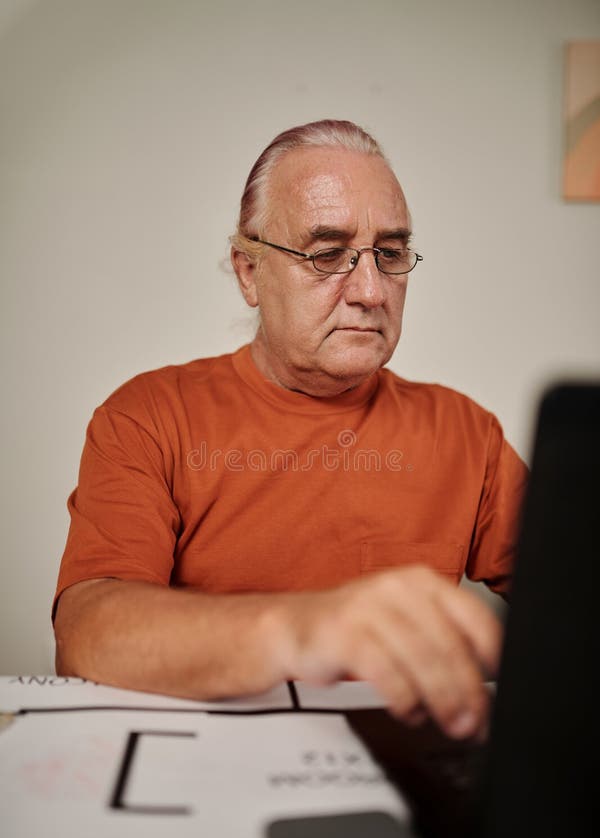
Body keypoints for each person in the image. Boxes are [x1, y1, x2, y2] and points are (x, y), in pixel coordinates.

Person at [53, 119, 527, 740]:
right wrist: (308, 630)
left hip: (402, 765)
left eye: (390, 253)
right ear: (249, 272)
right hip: (206, 766)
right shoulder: (148, 416)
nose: (370, 290)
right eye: (327, 254)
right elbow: (90, 641)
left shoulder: (467, 432)